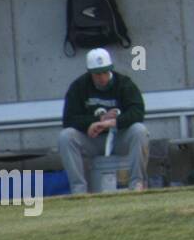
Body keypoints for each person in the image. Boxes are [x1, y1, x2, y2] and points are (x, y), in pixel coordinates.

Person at [58, 48, 150, 193]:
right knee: (66, 137)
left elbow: (137, 112)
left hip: (119, 137)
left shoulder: (124, 84)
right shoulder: (79, 86)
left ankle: (137, 184)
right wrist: (93, 122)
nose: (102, 77)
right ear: (90, 73)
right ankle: (78, 189)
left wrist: (113, 122)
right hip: (93, 139)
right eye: (97, 74)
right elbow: (68, 119)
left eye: (105, 72)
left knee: (139, 131)